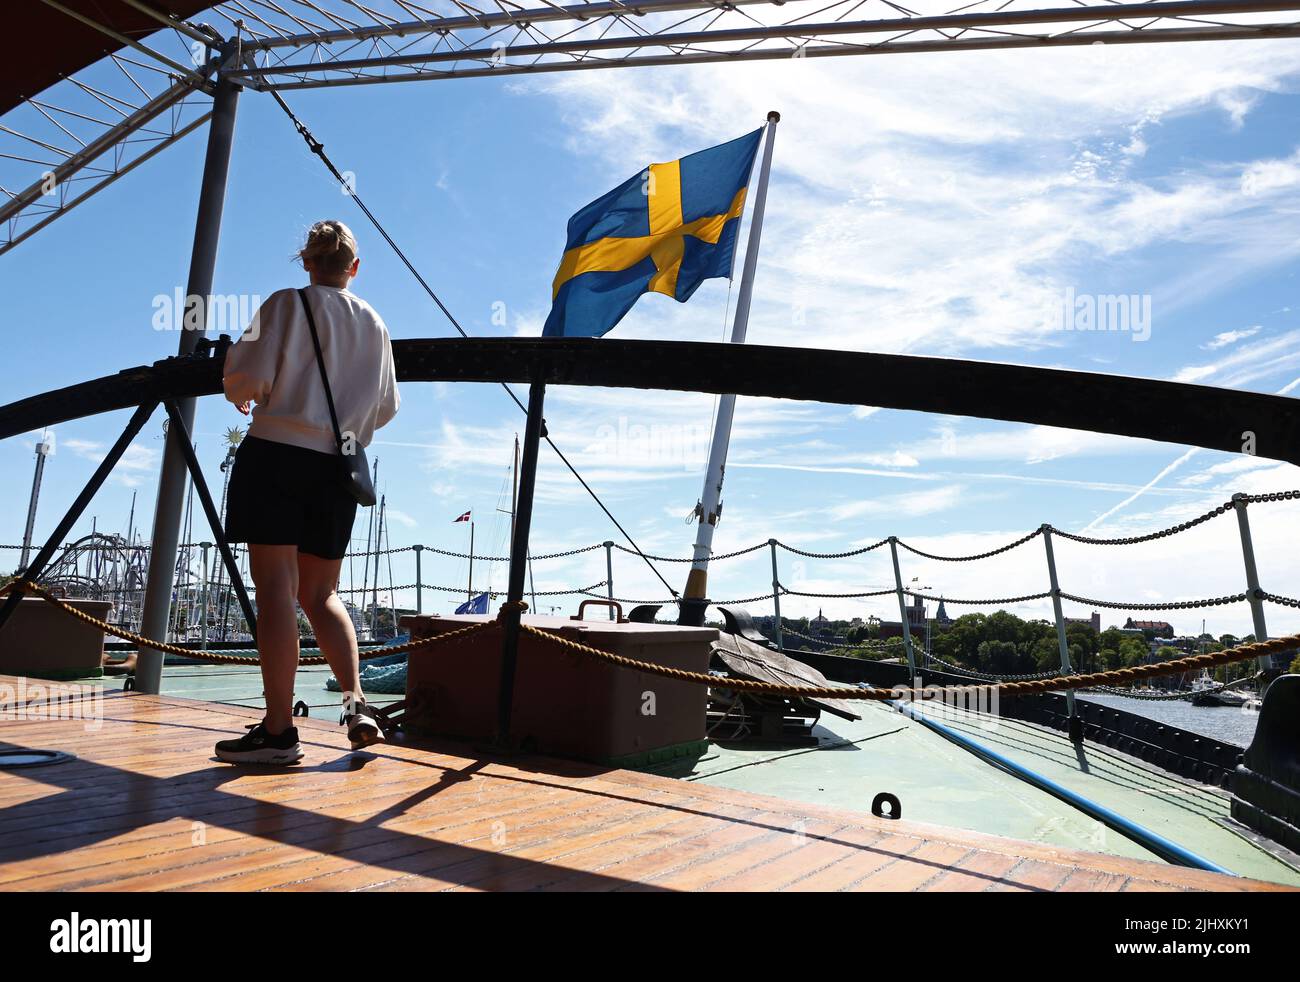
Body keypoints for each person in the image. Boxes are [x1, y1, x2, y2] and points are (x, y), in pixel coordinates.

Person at [214, 220, 399, 764]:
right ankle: (357, 703)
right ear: (354, 268)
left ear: (306, 262)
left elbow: (243, 379)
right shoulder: (374, 321)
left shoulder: (284, 304)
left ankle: (278, 732)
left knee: (275, 588)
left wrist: (249, 393)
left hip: (276, 452)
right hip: (338, 467)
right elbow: (385, 407)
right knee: (320, 595)